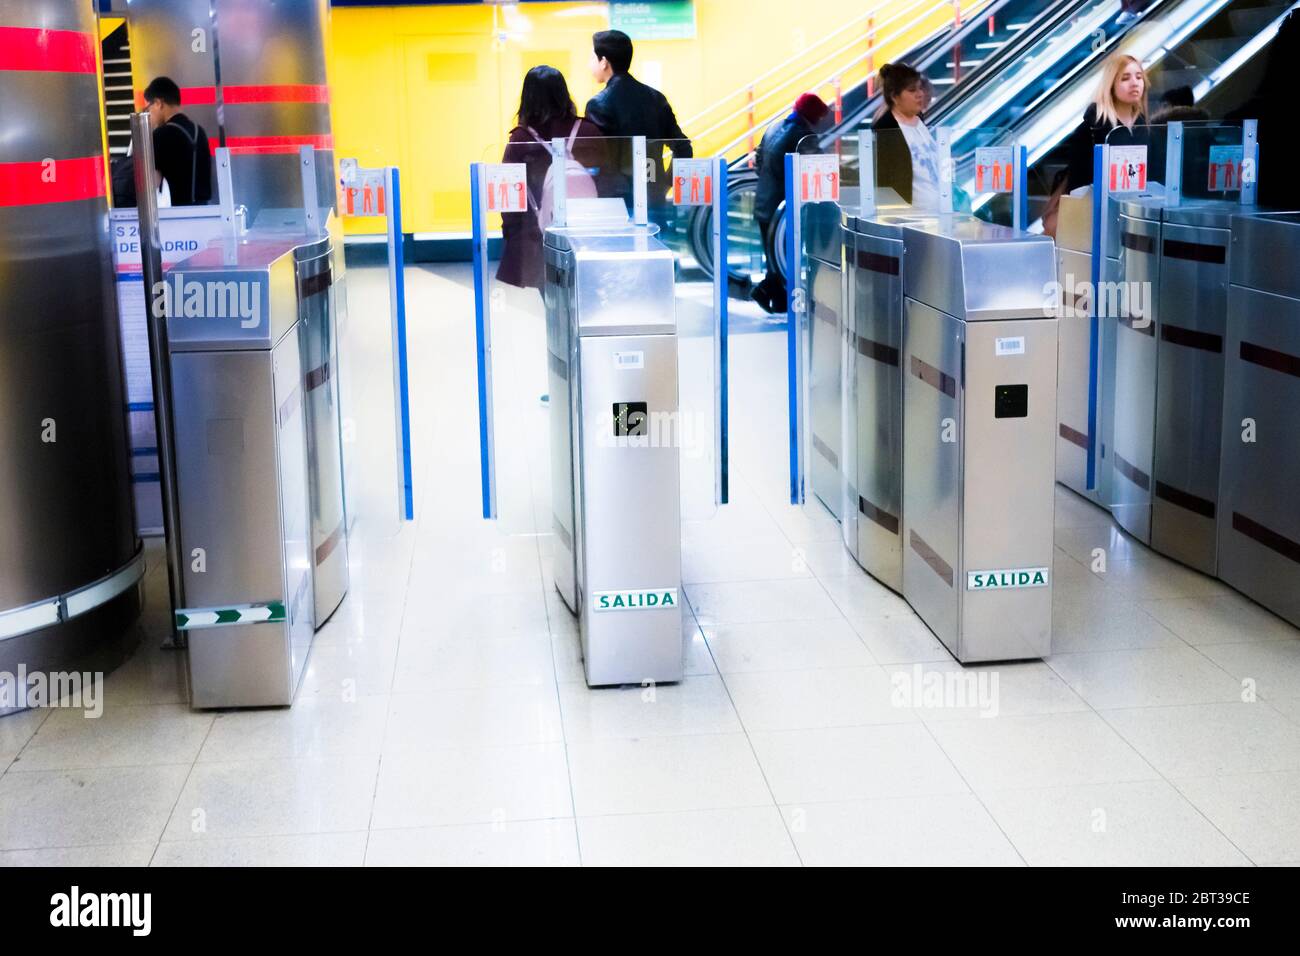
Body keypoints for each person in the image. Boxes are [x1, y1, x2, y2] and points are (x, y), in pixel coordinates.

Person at [496, 66, 604, 291]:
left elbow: (510, 199)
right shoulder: (588, 131)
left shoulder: (520, 139)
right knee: (583, 297)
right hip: (587, 234)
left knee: (553, 301)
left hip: (539, 238)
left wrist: (512, 234)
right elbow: (607, 182)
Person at [1043, 52, 1149, 237]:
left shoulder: (1147, 127)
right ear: (1111, 85)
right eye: (1125, 78)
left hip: (1135, 216)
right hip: (1095, 220)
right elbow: (1079, 182)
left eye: (1139, 77)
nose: (1135, 83)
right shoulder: (1091, 128)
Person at [750, 93, 829, 314]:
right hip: (784, 208)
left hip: (765, 202)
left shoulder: (776, 127)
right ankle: (768, 292)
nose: (822, 121)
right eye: (821, 116)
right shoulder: (803, 135)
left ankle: (777, 299)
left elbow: (758, 160)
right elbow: (817, 168)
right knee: (785, 255)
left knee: (774, 255)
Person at [872, 63, 942, 212]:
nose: (920, 94)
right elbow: (886, 184)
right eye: (912, 90)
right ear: (895, 97)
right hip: (911, 220)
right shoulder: (886, 128)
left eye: (919, 88)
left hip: (937, 213)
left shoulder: (919, 121)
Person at [142, 76, 212, 206]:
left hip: (176, 215)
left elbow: (152, 183)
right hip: (204, 211)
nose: (148, 114)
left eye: (148, 109)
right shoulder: (199, 131)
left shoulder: (160, 135)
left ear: (158, 103)